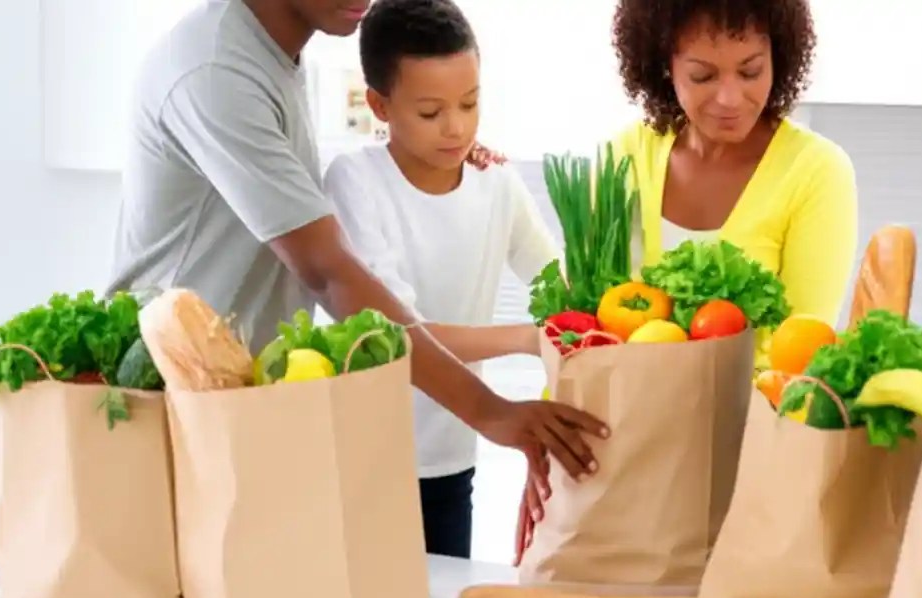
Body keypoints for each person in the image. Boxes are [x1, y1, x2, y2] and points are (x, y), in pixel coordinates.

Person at [107, 0, 607, 490]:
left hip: (236, 406)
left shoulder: (275, 52)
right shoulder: (218, 71)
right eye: (430, 111)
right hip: (174, 403)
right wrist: (492, 411)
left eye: (467, 105)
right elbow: (327, 271)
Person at [323, 0, 561, 559]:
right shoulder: (356, 180)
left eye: (470, 103)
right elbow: (396, 332)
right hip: (363, 457)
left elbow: (557, 282)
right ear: (380, 105)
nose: (457, 127)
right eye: (431, 112)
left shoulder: (496, 182)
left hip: (453, 451)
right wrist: (527, 338)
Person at [609, 0, 860, 337]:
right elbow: (593, 317)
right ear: (665, 65)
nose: (730, 98)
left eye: (750, 72)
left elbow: (803, 345)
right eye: (703, 76)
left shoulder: (817, 171)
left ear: (778, 58)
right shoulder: (625, 156)